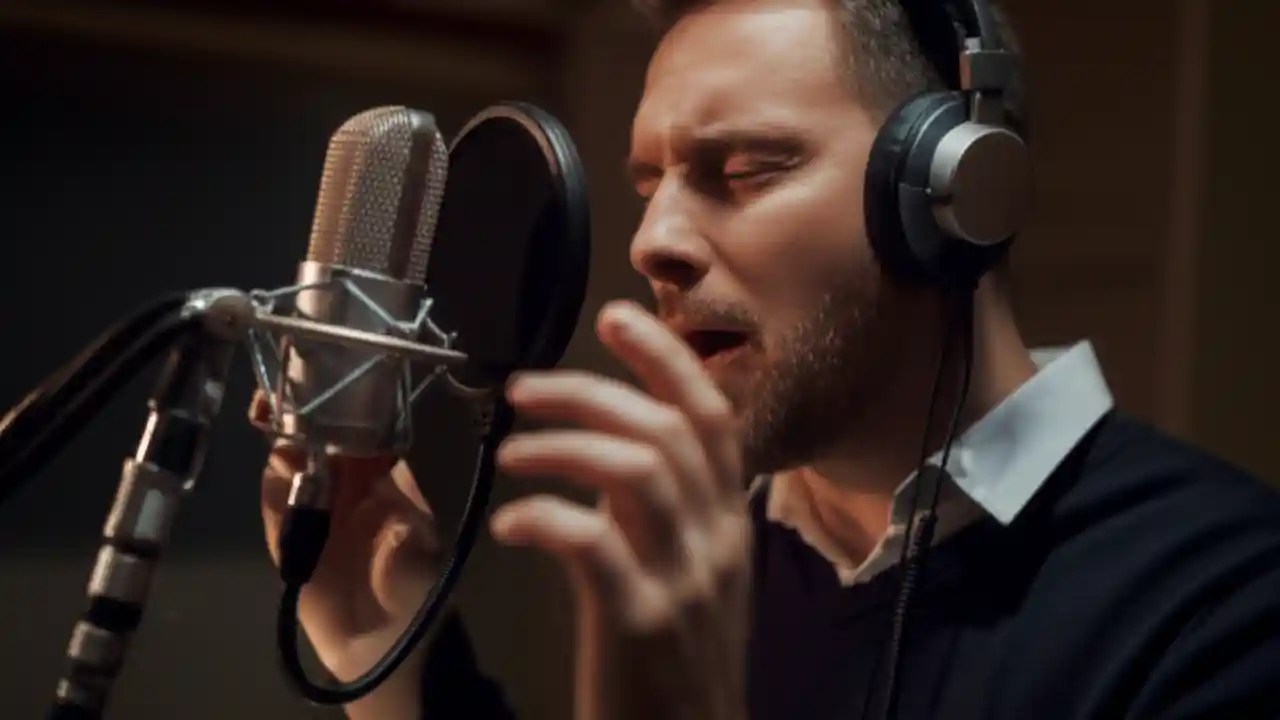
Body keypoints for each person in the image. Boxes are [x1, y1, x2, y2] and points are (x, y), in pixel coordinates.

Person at [255, 0, 1280, 718]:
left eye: (741, 169)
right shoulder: (705, 560)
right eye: (649, 180)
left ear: (957, 192)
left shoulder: (1228, 606)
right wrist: (384, 642)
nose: (650, 242)